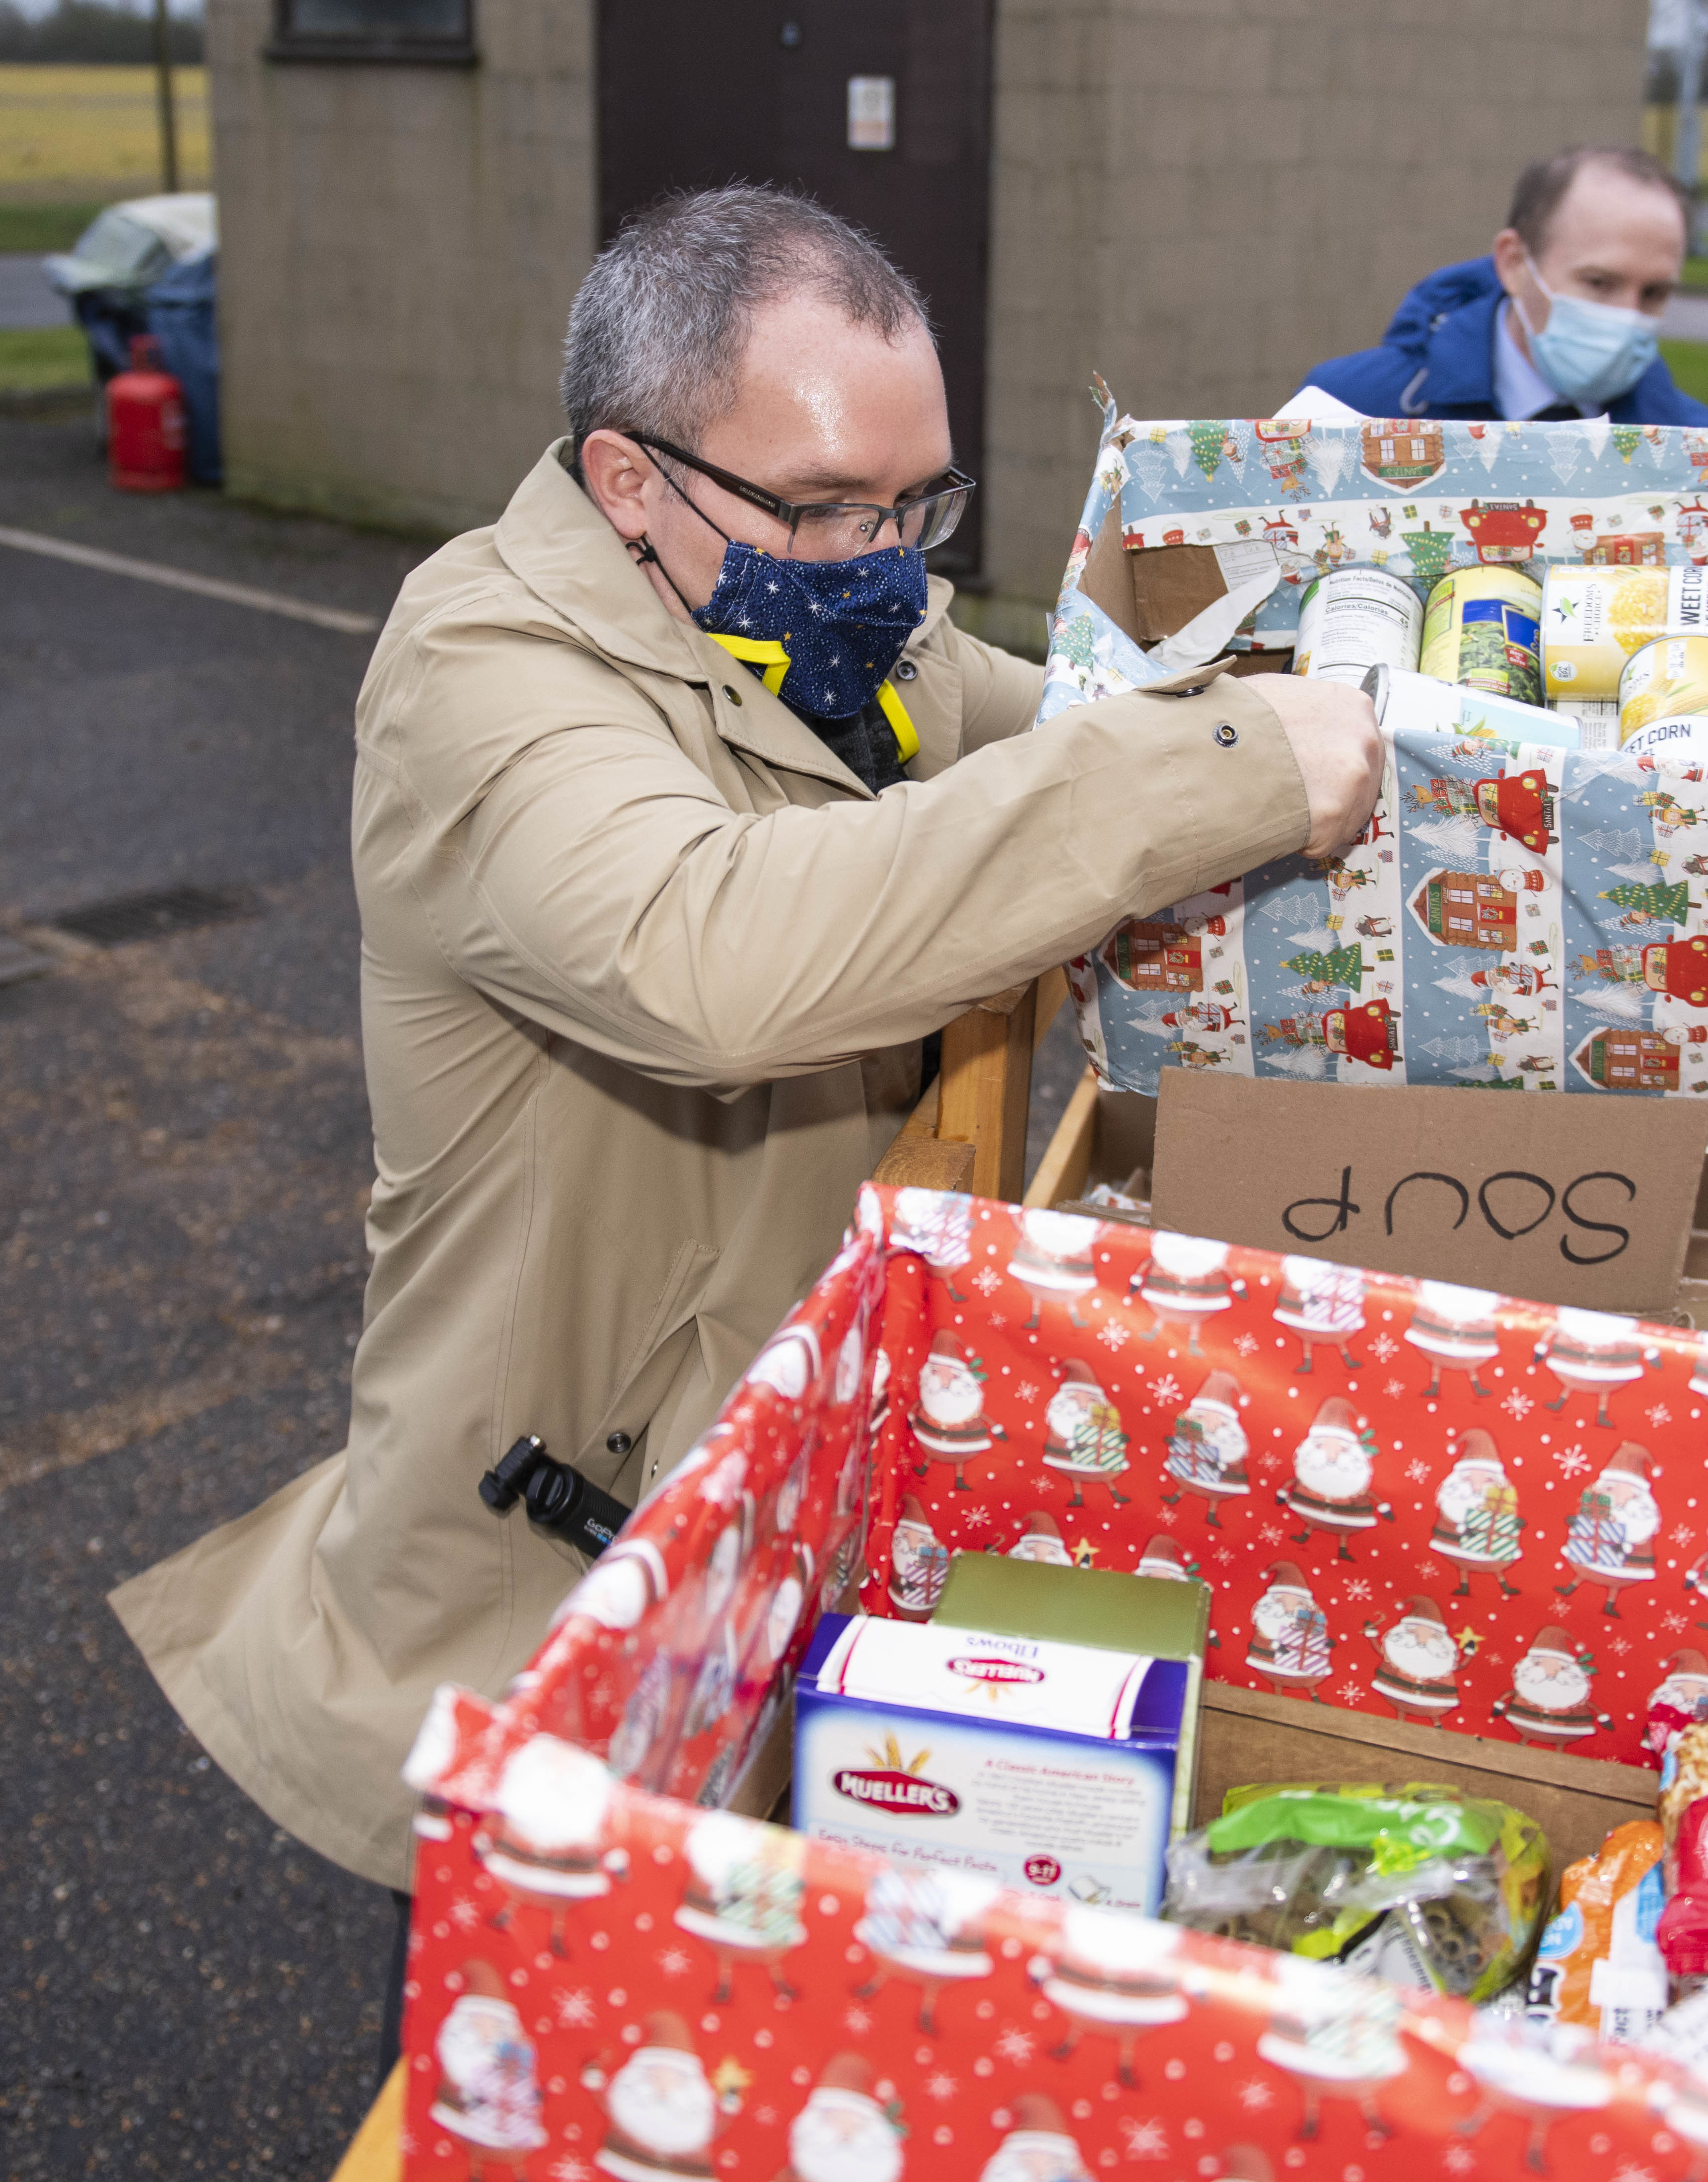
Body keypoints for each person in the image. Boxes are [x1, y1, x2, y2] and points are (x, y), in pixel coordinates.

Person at [108, 187, 1380, 1986]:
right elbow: (708, 951)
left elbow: (1081, 737)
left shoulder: (848, 631)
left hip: (784, 1504)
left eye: (918, 502)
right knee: (525, 2046)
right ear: (629, 480)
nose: (886, 557)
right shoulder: (481, 672)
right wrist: (1230, 767)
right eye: (829, 506)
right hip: (554, 1573)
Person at [1290, 144, 1708, 426]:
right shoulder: (1347, 411)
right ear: (1514, 264)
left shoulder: (1705, 451)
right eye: (1598, 282)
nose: (1627, 316)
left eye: (1654, 294)